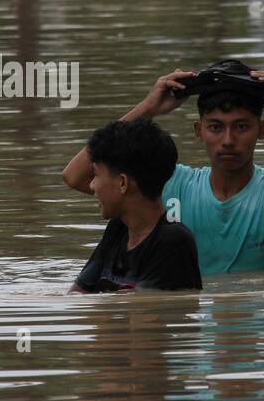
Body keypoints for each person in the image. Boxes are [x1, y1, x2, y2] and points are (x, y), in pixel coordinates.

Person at [62, 59, 264, 274]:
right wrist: (147, 108)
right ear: (199, 131)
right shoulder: (169, 184)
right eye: (216, 127)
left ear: (262, 130)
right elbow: (77, 176)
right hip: (194, 339)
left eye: (241, 127)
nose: (228, 140)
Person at [71, 119, 202, 294]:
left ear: (123, 183)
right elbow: (77, 294)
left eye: (95, 175)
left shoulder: (173, 241)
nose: (92, 185)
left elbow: (141, 314)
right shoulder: (118, 229)